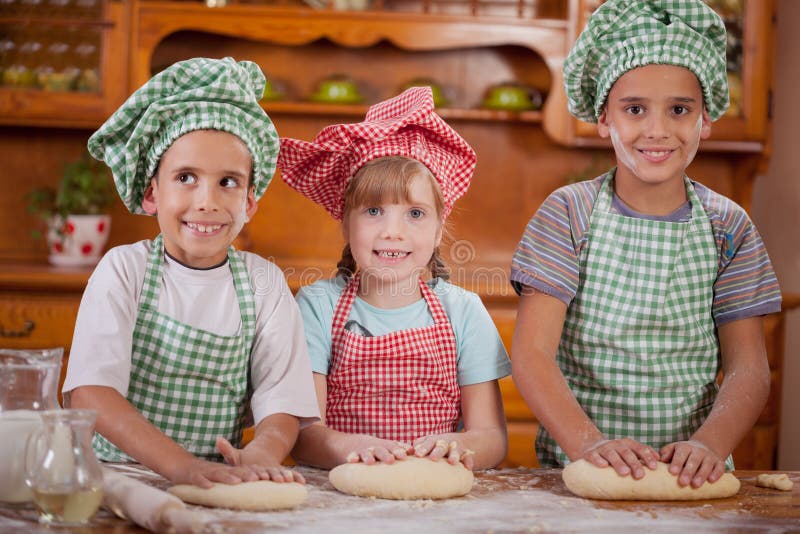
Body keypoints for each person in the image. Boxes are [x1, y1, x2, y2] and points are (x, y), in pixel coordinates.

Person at [510, 0, 782, 489]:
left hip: (691, 475)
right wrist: (588, 443)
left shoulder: (730, 227)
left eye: (680, 109)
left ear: (705, 119)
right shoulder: (568, 214)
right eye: (634, 109)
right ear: (605, 119)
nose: (657, 130)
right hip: (579, 467)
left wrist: (710, 446)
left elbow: (749, 368)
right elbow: (532, 355)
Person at [62, 57, 319, 488]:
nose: (207, 201)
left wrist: (260, 452)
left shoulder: (264, 284)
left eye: (228, 182)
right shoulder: (125, 270)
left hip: (219, 482)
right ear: (152, 192)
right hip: (116, 481)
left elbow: (283, 397)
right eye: (185, 177)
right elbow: (92, 393)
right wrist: (181, 466)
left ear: (250, 202)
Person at [278, 87, 510, 470]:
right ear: (345, 224)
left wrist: (460, 446)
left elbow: (491, 438)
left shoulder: (463, 311)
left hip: (436, 495)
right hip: (341, 496)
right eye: (373, 210)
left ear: (439, 231)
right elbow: (305, 437)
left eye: (415, 214)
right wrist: (352, 448)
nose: (392, 232)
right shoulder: (317, 306)